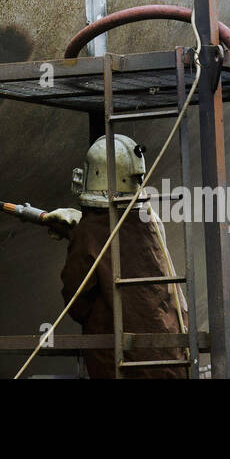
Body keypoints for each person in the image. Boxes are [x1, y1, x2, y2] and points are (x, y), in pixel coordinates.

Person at [45, 135, 188, 378]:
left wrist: (79, 234)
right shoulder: (150, 221)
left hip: (124, 367)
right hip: (172, 361)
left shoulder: (90, 230)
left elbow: (76, 302)